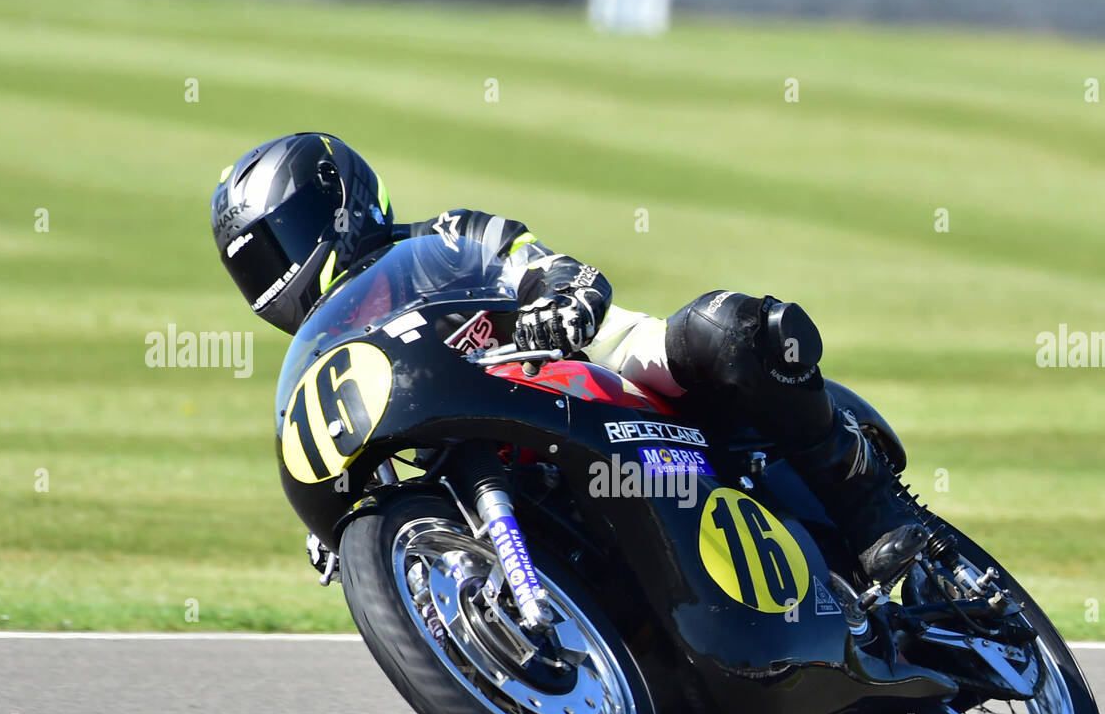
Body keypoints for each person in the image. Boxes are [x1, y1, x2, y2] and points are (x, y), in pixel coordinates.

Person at [212, 132, 942, 589]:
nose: (275, 281)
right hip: (498, 460)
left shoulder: (442, 237)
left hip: (596, 370)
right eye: (255, 270)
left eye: (280, 246)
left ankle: (863, 501)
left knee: (726, 326)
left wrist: (562, 298)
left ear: (337, 208)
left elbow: (553, 268)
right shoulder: (335, 355)